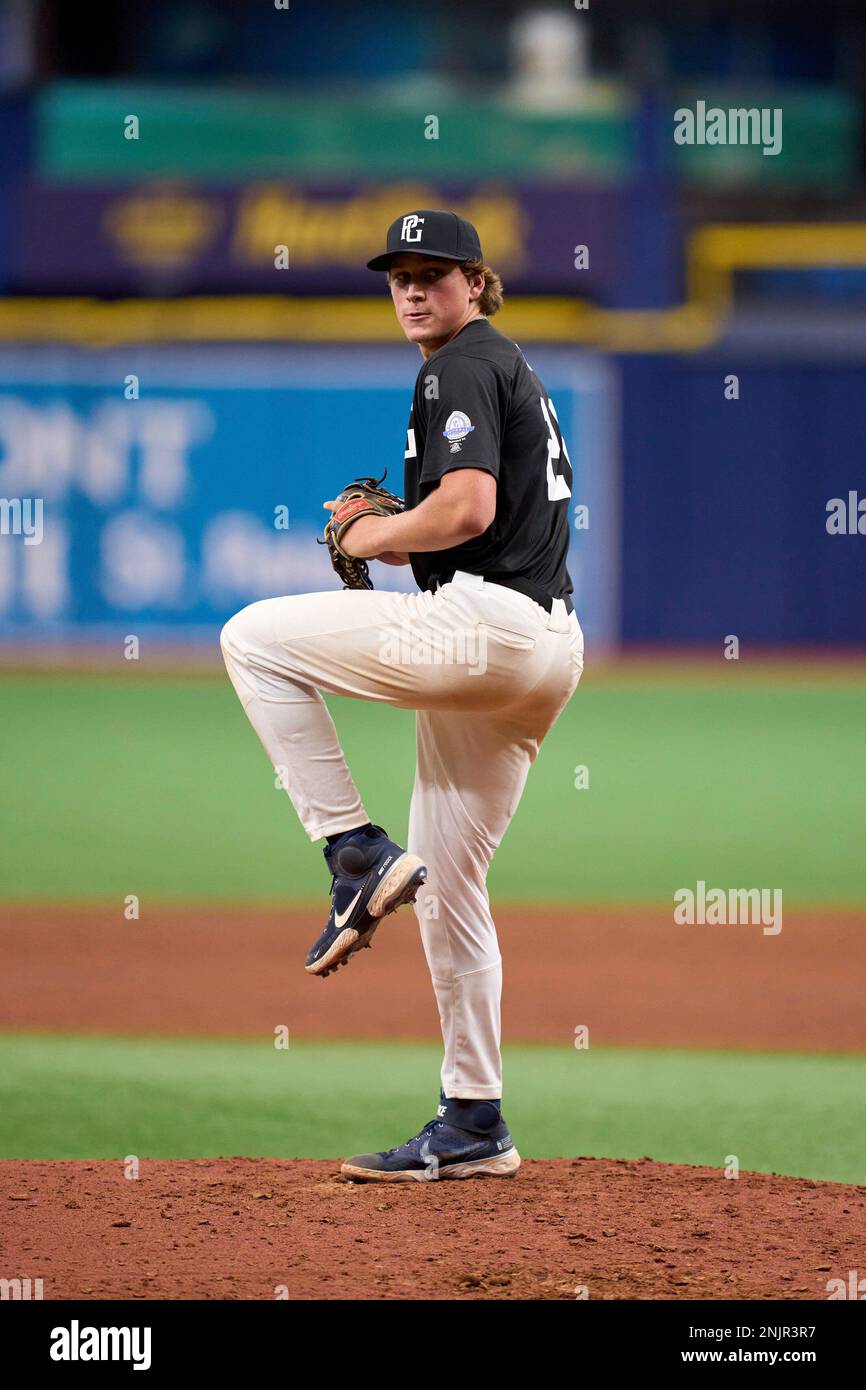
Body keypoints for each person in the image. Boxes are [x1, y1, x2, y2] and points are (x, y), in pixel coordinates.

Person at [220, 209, 584, 1181]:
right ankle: (473, 1118)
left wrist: (362, 537)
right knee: (451, 889)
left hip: (488, 628)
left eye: (434, 272)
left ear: (475, 280)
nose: (414, 289)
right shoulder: (507, 369)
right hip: (547, 646)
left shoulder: (458, 361)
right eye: (398, 276)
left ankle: (351, 851)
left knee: (250, 638)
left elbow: (464, 508)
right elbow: (480, 514)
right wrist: (404, 534)